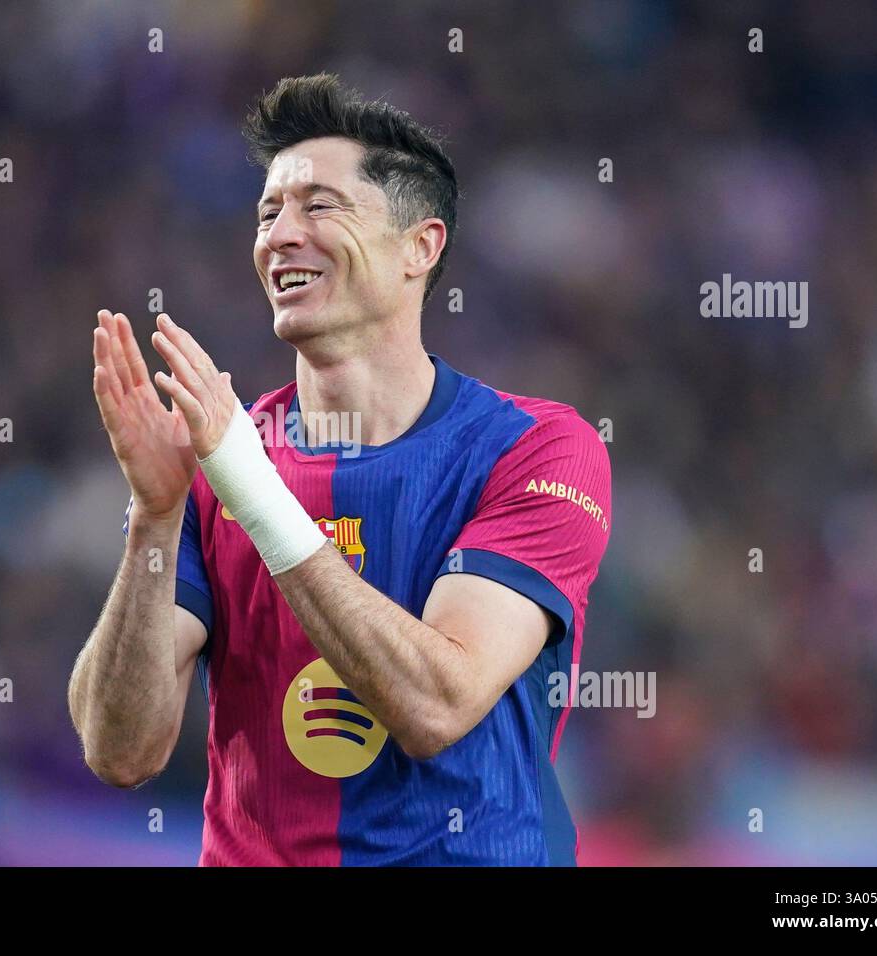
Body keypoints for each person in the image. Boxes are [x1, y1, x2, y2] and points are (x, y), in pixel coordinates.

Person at [69, 73, 612, 865]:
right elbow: (121, 752)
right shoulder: (212, 460)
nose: (280, 235)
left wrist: (246, 484)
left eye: (318, 206)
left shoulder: (535, 449)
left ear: (419, 247)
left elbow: (436, 703)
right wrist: (155, 513)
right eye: (267, 213)